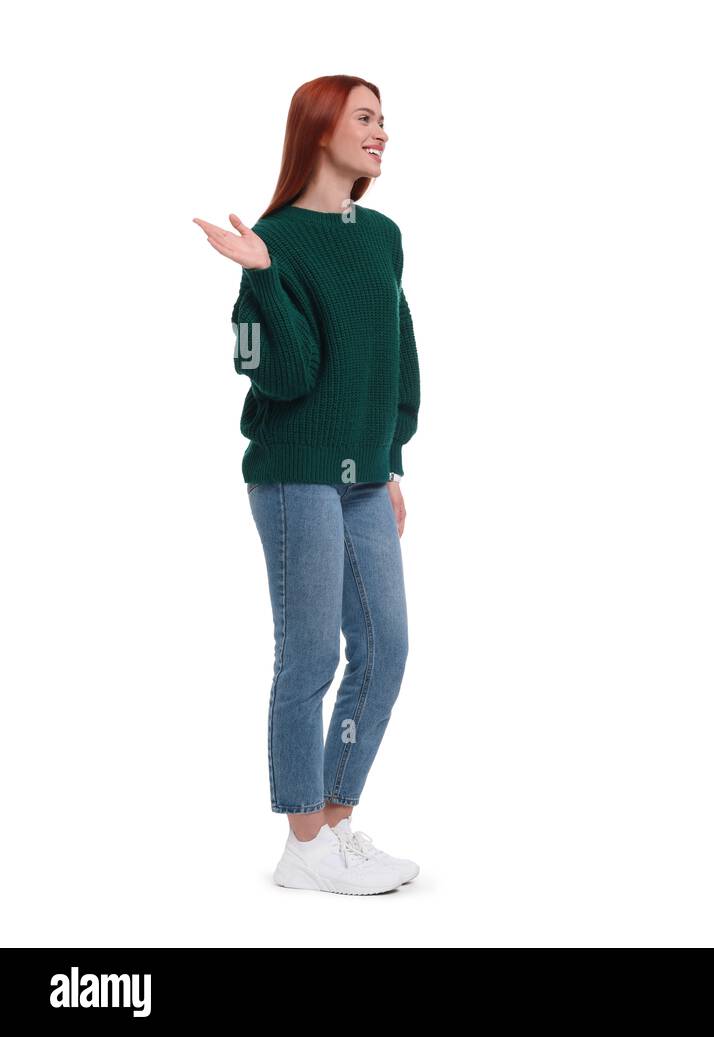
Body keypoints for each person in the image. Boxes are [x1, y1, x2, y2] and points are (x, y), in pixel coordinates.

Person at [195, 75, 422, 895]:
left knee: (386, 648)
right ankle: (301, 841)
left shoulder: (383, 233)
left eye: (383, 120)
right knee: (311, 658)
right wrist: (260, 273)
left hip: (363, 478)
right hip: (295, 474)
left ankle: (334, 822)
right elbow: (277, 375)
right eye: (366, 118)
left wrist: (389, 455)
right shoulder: (277, 237)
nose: (381, 132)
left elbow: (397, 347)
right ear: (321, 130)